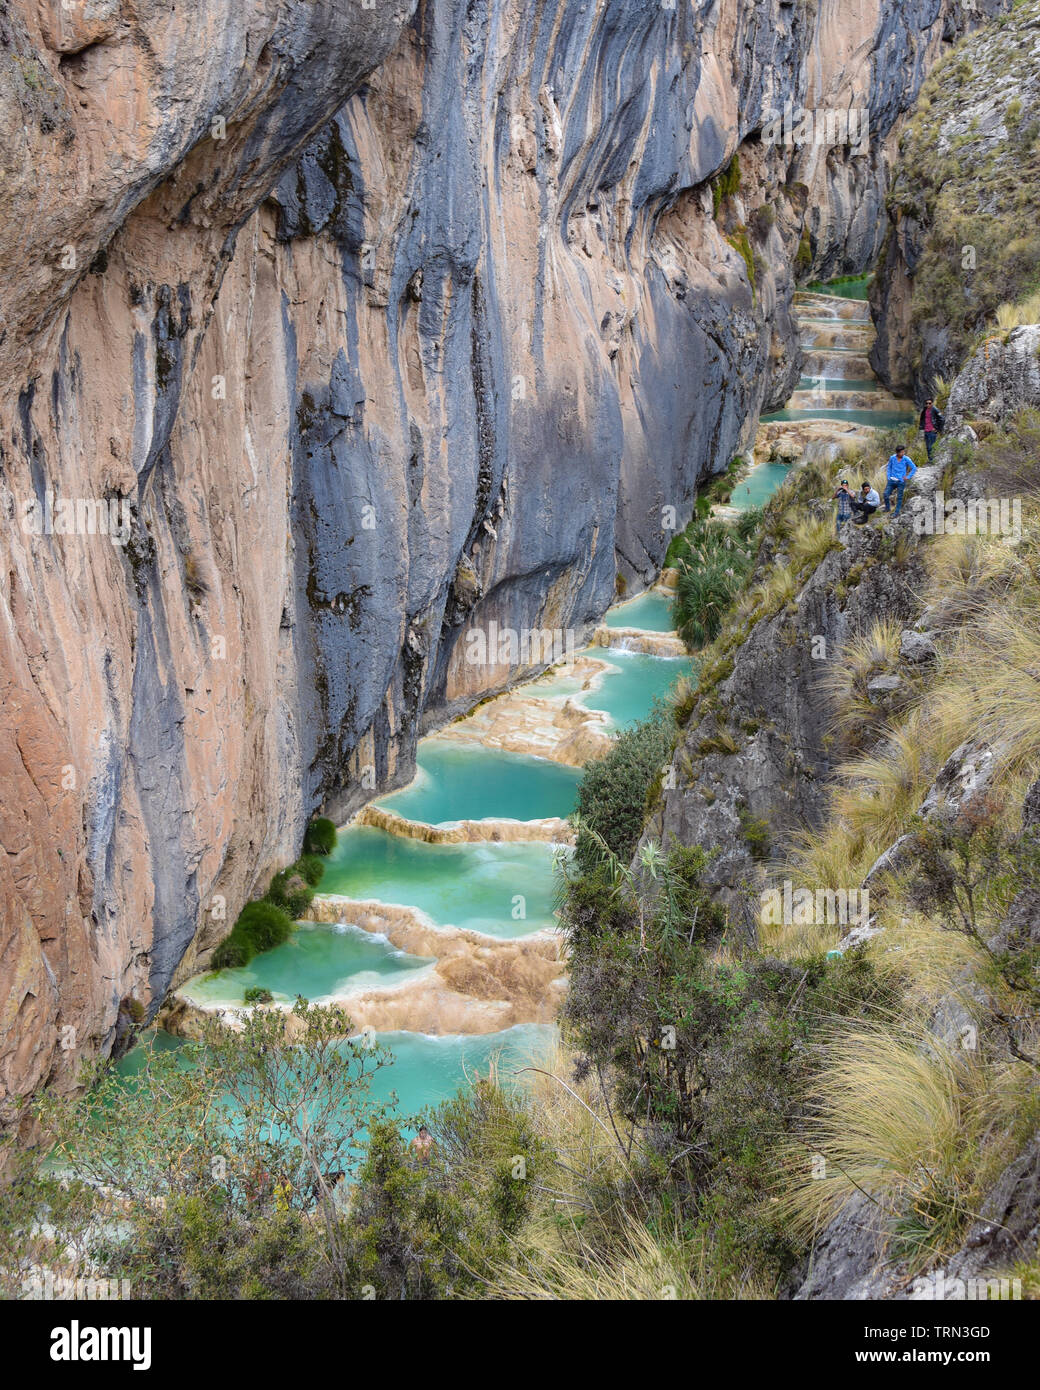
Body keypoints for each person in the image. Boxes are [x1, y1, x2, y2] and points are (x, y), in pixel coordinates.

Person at [884, 446, 917, 517]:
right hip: (892, 480)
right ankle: (887, 508)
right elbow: (889, 467)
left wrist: (908, 477)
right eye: (901, 452)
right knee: (885, 494)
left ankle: (896, 513)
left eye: (903, 452)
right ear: (897, 453)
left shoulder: (906, 459)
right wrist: (888, 477)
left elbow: (914, 468)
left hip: (901, 481)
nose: (903, 453)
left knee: (899, 497)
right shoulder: (892, 458)